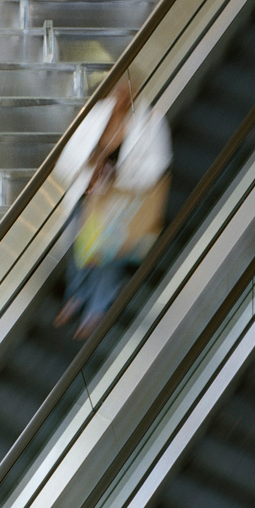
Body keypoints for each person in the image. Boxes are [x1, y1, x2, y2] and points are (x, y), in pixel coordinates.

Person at [51, 76, 172, 338]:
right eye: (118, 91)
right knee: (79, 249)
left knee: (109, 257)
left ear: (134, 93)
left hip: (120, 204)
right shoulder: (95, 117)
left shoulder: (151, 123)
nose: (121, 97)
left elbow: (159, 165)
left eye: (127, 92)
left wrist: (122, 177)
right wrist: (88, 164)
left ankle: (97, 308)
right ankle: (76, 295)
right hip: (88, 198)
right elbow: (69, 154)